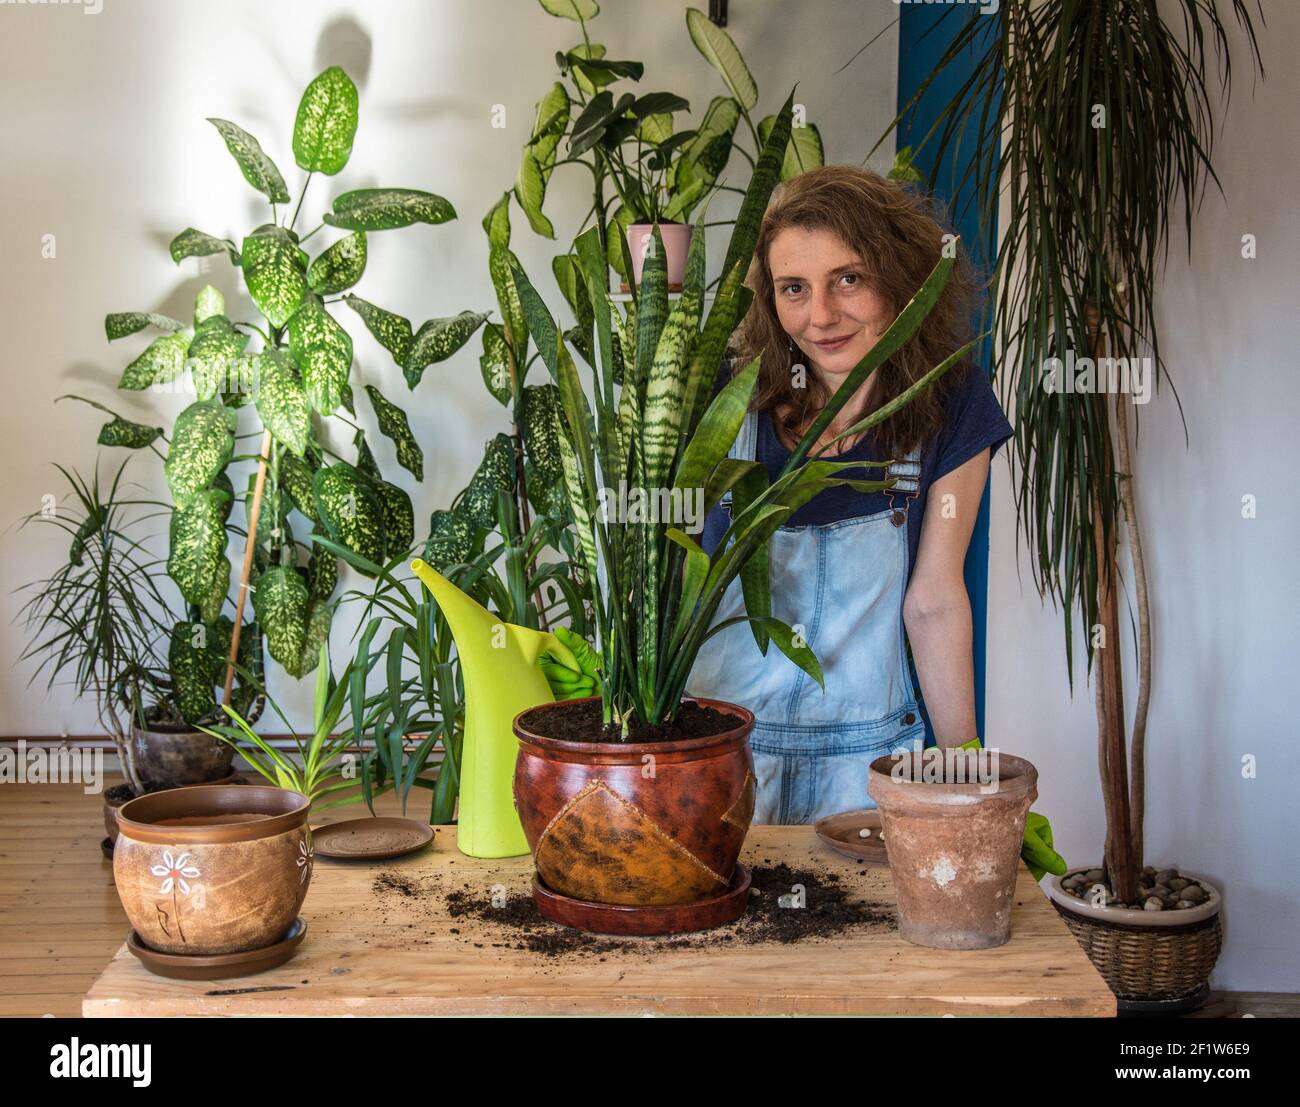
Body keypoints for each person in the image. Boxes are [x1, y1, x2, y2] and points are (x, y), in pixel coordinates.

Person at [682, 164, 1014, 824]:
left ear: (899, 275)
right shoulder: (719, 399)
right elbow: (661, 579)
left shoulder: (953, 402)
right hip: (714, 762)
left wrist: (967, 775)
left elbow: (934, 602)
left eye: (849, 279)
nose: (821, 316)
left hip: (871, 773)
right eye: (794, 289)